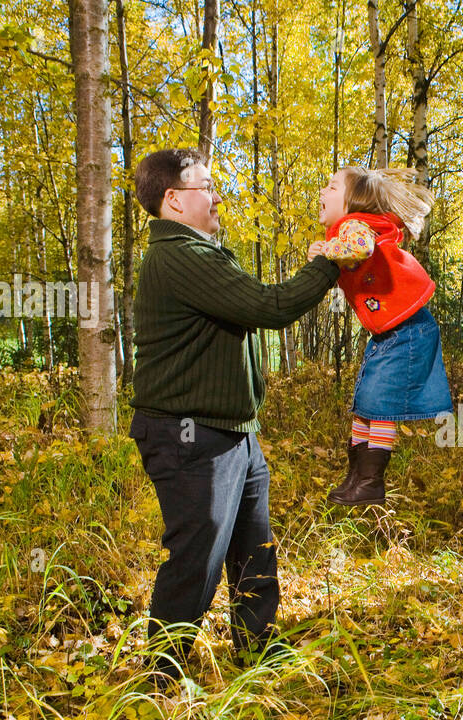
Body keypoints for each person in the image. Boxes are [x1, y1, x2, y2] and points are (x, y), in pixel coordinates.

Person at [128, 147, 340, 683]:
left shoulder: (204, 252)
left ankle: (256, 647)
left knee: (254, 545)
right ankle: (162, 676)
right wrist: (329, 263)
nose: (217, 195)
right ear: (174, 199)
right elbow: (271, 307)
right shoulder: (180, 256)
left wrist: (323, 265)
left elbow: (255, 301)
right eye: (206, 186)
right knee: (197, 555)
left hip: (231, 433)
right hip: (190, 435)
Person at [316, 166, 453, 506]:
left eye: (332, 187)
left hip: (408, 330)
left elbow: (359, 248)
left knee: (381, 404)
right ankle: (357, 476)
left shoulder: (354, 228)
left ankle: (371, 481)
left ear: (354, 202)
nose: (322, 192)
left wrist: (326, 252)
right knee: (364, 403)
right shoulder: (346, 230)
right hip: (391, 332)